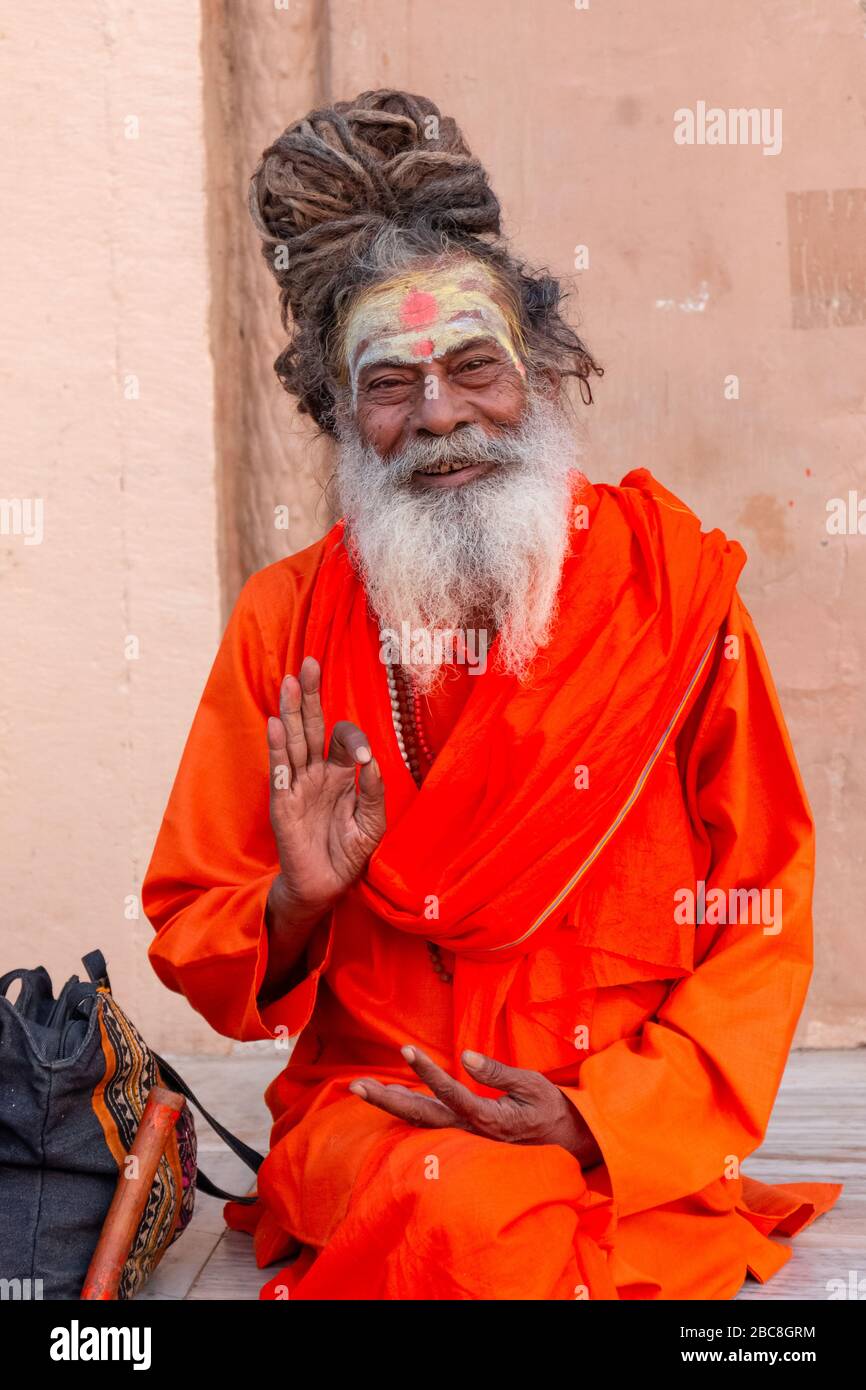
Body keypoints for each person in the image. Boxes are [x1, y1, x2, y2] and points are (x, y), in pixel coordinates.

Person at [143, 89, 841, 1300]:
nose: (439, 418)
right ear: (340, 415)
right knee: (450, 1204)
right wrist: (296, 905)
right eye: (388, 387)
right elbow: (198, 925)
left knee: (479, 1222)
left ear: (544, 369)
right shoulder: (285, 623)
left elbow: (759, 905)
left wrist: (592, 1117)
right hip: (375, 1119)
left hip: (616, 1127)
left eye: (474, 368)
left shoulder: (669, 595)